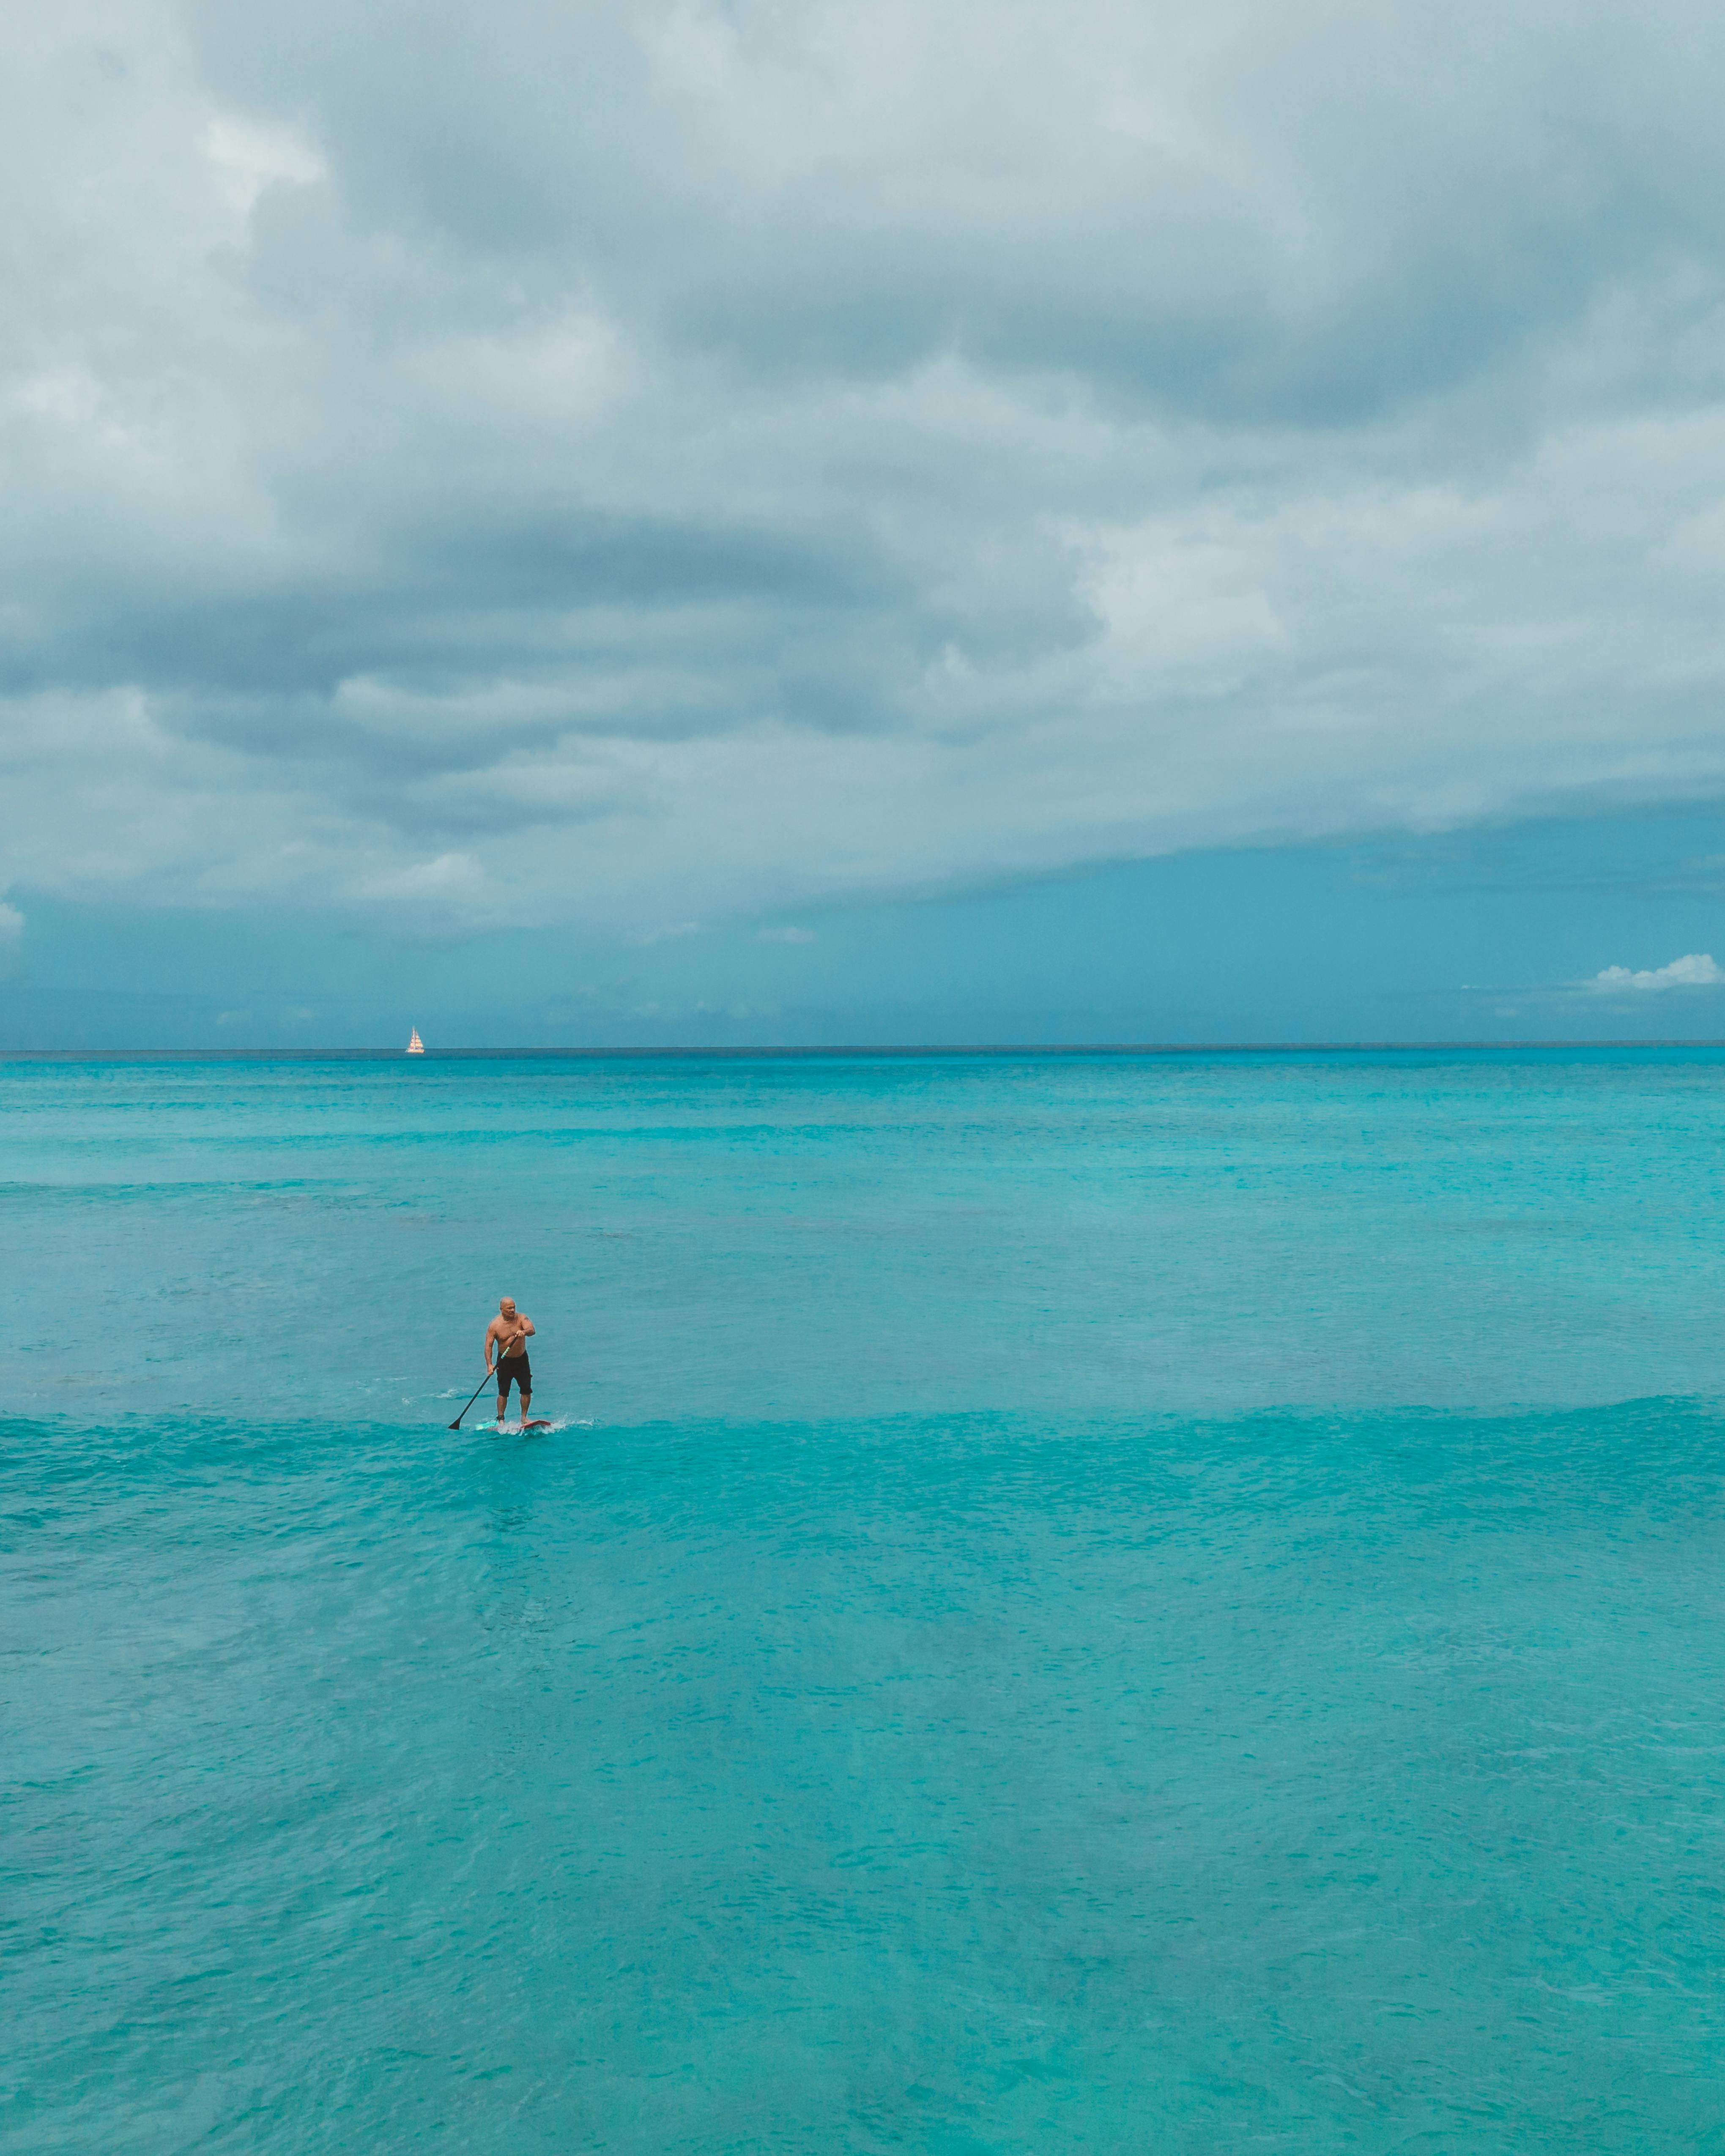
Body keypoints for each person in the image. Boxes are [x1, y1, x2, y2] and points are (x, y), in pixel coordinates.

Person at [485, 1297, 536, 1428]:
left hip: (522, 1360)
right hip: (504, 1362)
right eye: (509, 1308)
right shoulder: (495, 1325)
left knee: (526, 1389)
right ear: (502, 1309)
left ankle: (524, 1418)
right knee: (503, 1392)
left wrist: (524, 1332)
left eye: (514, 1307)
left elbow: (532, 1330)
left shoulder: (521, 1319)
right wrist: (490, 1365)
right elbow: (489, 1346)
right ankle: (501, 1419)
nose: (513, 1310)